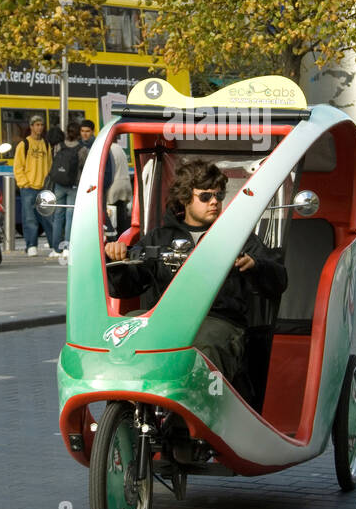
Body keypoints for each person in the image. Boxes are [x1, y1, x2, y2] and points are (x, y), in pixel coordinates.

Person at [105, 157, 287, 384]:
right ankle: (127, 404)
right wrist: (117, 260)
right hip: (165, 318)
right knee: (123, 333)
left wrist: (255, 265)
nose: (214, 202)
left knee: (202, 348)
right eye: (205, 196)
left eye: (219, 195)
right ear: (184, 198)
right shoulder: (159, 238)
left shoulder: (236, 236)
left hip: (218, 320)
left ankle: (199, 411)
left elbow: (279, 280)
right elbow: (125, 288)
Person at [13, 115, 53, 256]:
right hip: (28, 187)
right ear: (31, 126)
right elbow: (18, 166)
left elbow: (49, 165)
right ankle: (31, 245)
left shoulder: (46, 144)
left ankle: (54, 246)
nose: (39, 127)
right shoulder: (24, 145)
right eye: (36, 124)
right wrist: (24, 183)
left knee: (48, 217)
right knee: (29, 218)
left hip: (43, 187)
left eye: (41, 125)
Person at [46, 121, 81, 260]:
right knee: (70, 217)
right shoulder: (82, 149)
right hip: (73, 186)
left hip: (59, 184)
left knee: (58, 216)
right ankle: (67, 248)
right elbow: (83, 166)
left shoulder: (58, 146)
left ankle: (56, 249)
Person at [106, 138, 133, 234]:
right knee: (122, 213)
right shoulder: (120, 148)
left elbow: (109, 171)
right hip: (125, 183)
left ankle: (115, 237)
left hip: (114, 185)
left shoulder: (108, 149)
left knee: (113, 215)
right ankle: (124, 235)